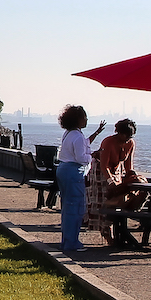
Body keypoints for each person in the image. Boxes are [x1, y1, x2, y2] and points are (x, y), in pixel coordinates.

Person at [56, 106, 94, 250]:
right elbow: (81, 158)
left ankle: (66, 240)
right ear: (78, 119)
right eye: (84, 117)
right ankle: (72, 242)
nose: (86, 120)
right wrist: (92, 156)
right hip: (73, 172)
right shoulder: (78, 136)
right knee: (76, 208)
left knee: (67, 207)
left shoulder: (67, 134)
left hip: (63, 170)